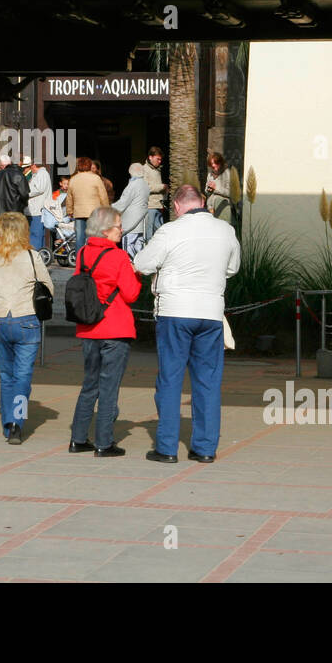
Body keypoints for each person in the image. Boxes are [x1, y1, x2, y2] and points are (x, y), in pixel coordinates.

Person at [133, 185, 241, 464]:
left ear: (178, 207)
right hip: (211, 312)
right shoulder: (225, 230)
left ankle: (167, 448)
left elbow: (142, 264)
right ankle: (205, 448)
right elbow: (233, 268)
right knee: (207, 381)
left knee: (170, 379)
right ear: (202, 202)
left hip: (175, 311)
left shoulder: (171, 229)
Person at [69, 207, 142, 457]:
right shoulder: (119, 257)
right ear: (106, 229)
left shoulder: (82, 253)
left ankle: (78, 438)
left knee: (90, 384)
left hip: (89, 327)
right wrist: (136, 275)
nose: (121, 230)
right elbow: (131, 293)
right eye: (118, 226)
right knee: (109, 387)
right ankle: (104, 442)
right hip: (115, 328)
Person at [0, 212, 54, 445]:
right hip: (27, 320)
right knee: (23, 377)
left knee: (6, 375)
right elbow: (48, 288)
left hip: (0, 319)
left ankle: (7, 422)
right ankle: (17, 423)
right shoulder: (32, 257)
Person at [67, 156, 108, 251]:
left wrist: (69, 210)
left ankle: (80, 261)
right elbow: (103, 195)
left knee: (79, 239)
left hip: (79, 213)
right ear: (90, 166)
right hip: (94, 213)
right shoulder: (96, 178)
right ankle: (93, 260)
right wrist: (106, 209)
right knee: (94, 238)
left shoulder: (73, 179)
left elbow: (69, 197)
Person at [111, 162, 149, 259]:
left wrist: (109, 208)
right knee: (138, 249)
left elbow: (123, 202)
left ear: (130, 171)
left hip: (131, 223)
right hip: (141, 223)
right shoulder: (145, 184)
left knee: (128, 249)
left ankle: (130, 270)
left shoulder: (133, 185)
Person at [22, 155, 52, 251]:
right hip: (37, 209)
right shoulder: (40, 174)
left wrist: (25, 193)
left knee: (35, 234)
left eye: (31, 167)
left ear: (34, 165)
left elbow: (39, 189)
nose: (31, 169)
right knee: (38, 234)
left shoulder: (42, 174)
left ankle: (35, 254)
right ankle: (40, 254)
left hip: (37, 210)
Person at [0, 153, 30, 218]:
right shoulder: (19, 175)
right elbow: (25, 194)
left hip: (0, 212)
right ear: (20, 162)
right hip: (15, 213)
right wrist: (22, 205)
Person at [142, 146, 167, 239]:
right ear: (150, 157)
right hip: (150, 206)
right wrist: (161, 187)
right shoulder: (144, 169)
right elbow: (146, 187)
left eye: (160, 159)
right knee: (150, 233)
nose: (160, 161)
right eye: (158, 159)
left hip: (158, 205)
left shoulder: (157, 170)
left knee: (160, 232)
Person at [205, 152, 233, 223]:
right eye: (211, 164)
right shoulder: (210, 175)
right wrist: (209, 189)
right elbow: (206, 191)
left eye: (216, 163)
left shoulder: (227, 173)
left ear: (220, 162)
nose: (214, 166)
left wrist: (216, 188)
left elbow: (230, 193)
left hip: (222, 208)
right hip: (210, 208)